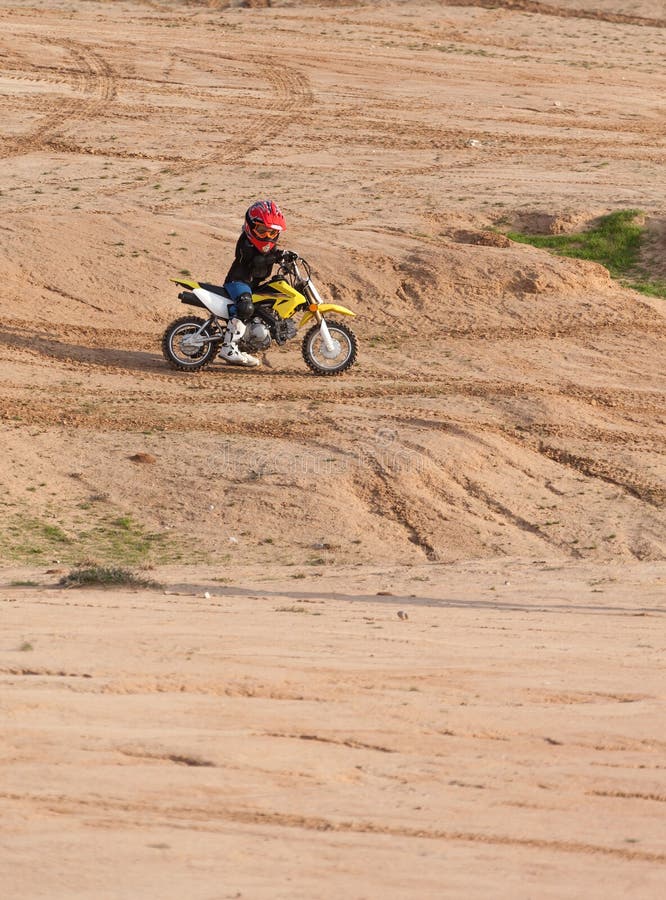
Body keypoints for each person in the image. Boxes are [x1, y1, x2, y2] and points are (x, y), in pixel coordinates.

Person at [220, 199, 287, 366]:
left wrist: (286, 257)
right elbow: (255, 260)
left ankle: (244, 344)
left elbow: (270, 255)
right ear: (251, 226)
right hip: (238, 282)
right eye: (262, 231)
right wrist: (276, 256)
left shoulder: (269, 246)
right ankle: (227, 348)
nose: (267, 236)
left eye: (272, 233)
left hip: (252, 285)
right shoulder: (245, 243)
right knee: (246, 307)